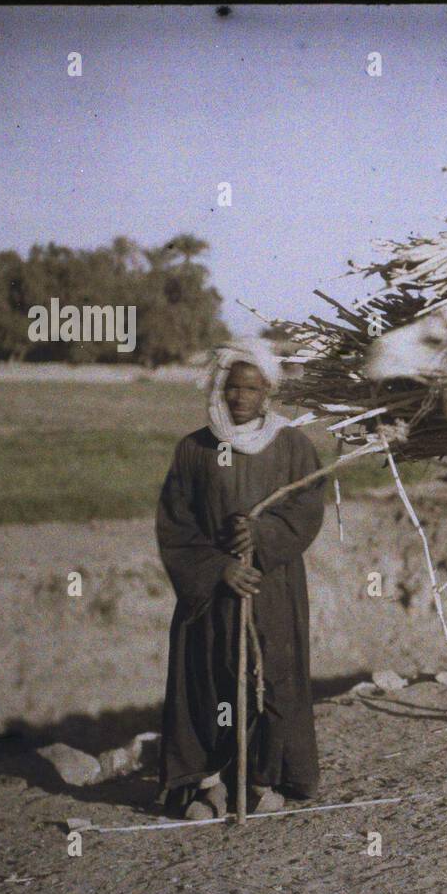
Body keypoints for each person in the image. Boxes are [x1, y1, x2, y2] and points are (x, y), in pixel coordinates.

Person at [156, 338, 325, 819]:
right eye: (232, 387)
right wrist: (219, 568)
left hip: (271, 587)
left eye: (251, 389)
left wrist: (263, 536)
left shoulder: (292, 446)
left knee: (270, 677)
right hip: (210, 595)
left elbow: (307, 508)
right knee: (209, 678)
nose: (240, 398)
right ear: (220, 388)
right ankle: (208, 785)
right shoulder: (194, 449)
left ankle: (261, 778)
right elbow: (176, 523)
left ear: (267, 393)